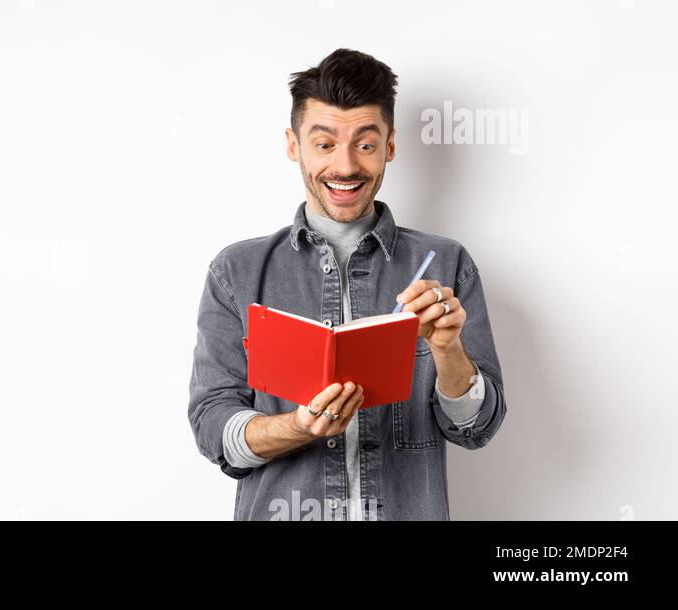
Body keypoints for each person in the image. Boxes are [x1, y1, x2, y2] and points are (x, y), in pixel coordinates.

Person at [187, 49, 507, 520]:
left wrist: (447, 350)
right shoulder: (235, 271)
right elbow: (213, 429)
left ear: (390, 147)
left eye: (365, 143)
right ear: (293, 145)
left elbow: (476, 428)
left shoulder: (445, 264)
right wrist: (297, 426)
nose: (346, 166)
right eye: (324, 144)